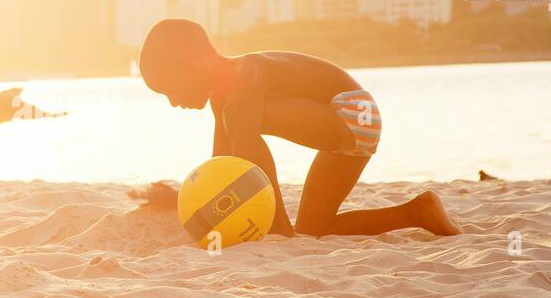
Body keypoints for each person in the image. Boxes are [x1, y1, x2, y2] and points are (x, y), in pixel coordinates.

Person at [138, 19, 461, 237]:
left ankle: (280, 230)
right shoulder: (223, 99)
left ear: (190, 68)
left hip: (351, 112)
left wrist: (276, 231)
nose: (173, 102)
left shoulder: (245, 75)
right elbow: (222, 162)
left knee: (240, 124)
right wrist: (188, 197)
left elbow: (245, 155)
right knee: (315, 229)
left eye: (170, 90)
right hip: (346, 128)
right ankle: (418, 212)